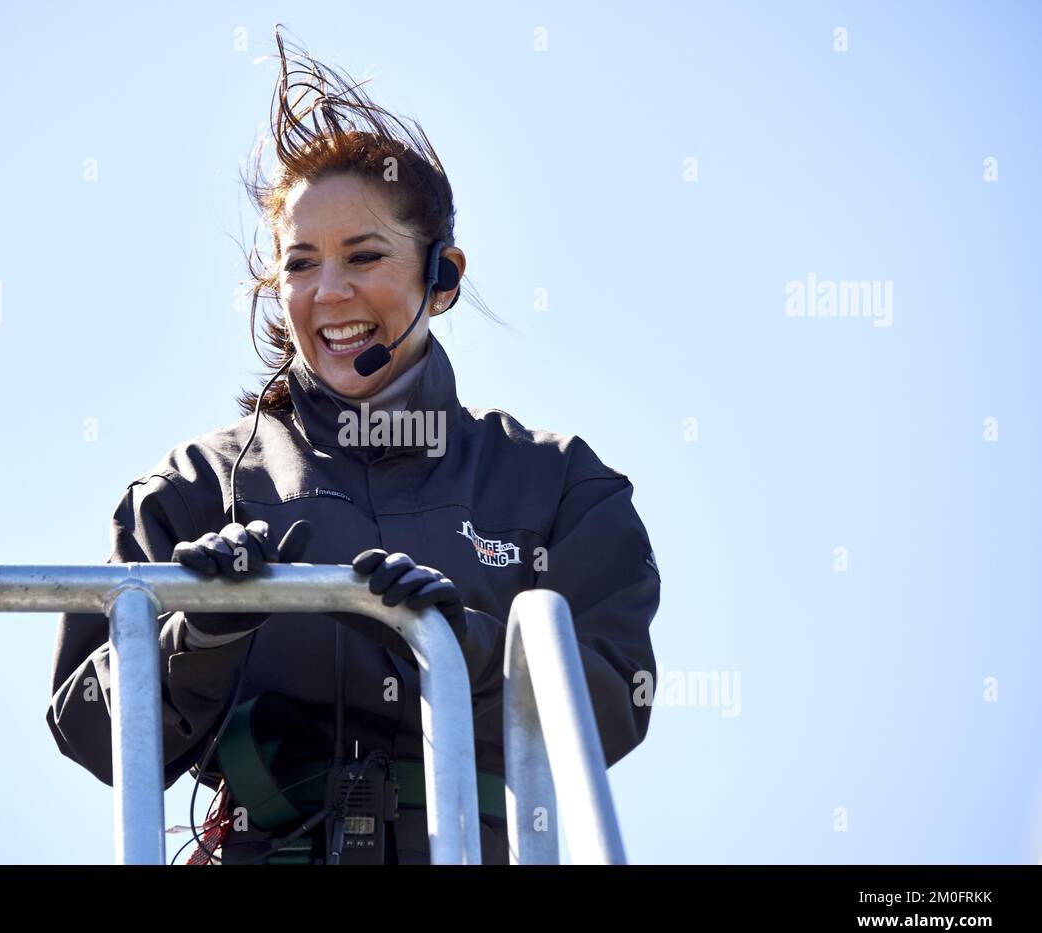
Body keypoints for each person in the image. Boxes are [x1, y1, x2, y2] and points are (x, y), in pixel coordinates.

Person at [45, 26, 660, 865]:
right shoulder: (195, 485)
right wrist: (202, 634)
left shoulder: (557, 484)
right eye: (300, 264)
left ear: (441, 277)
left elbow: (617, 700)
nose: (329, 292)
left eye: (364, 255)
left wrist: (465, 646)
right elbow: (86, 728)